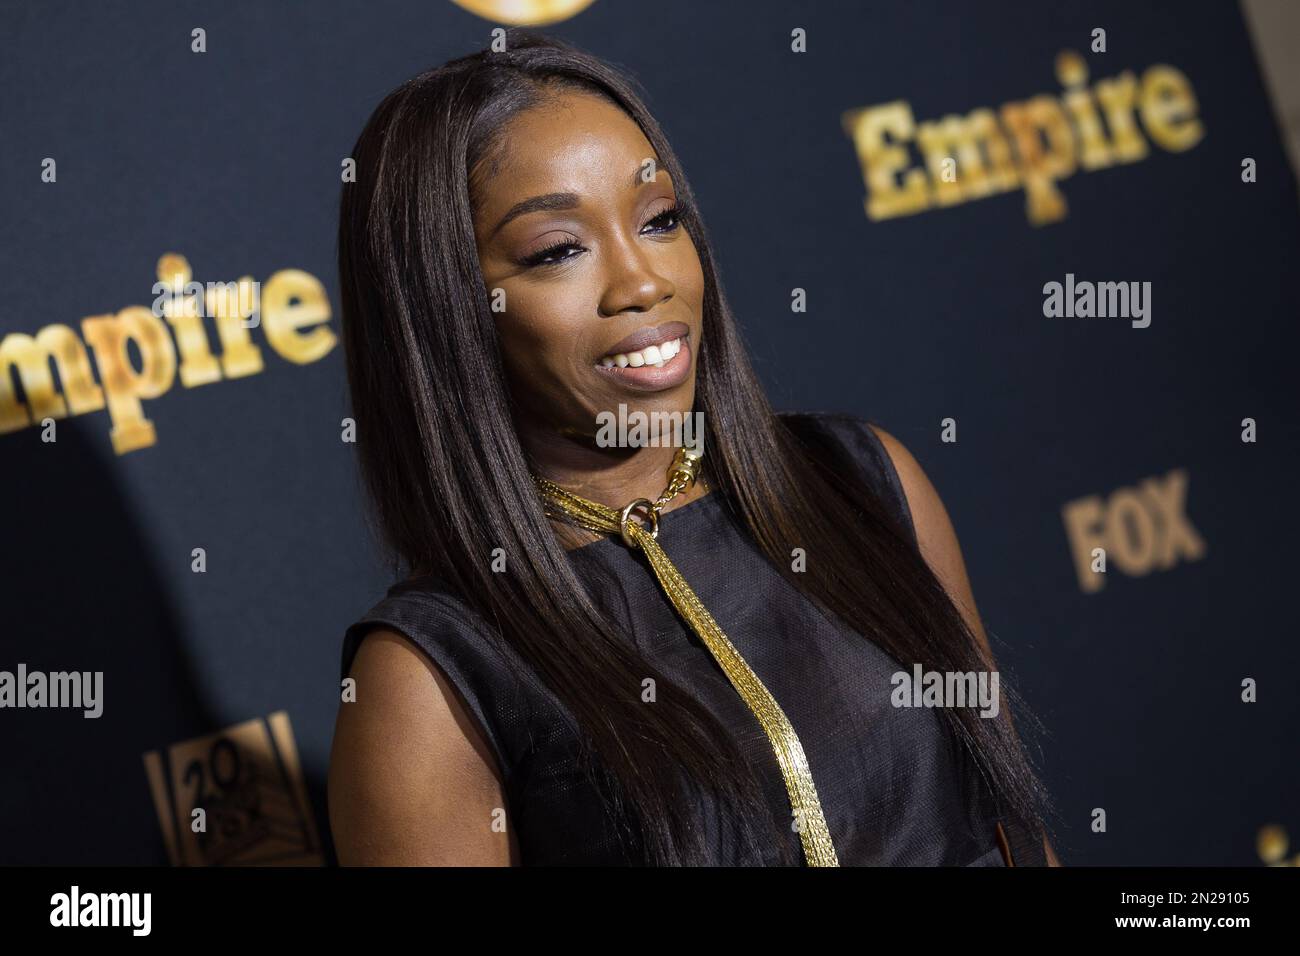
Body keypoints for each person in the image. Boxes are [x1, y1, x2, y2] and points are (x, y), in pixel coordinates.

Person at [327, 28, 1059, 867]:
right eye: (558, 250)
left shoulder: (863, 481)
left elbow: (1018, 843)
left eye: (659, 218)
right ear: (445, 312)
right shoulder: (428, 678)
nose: (643, 281)